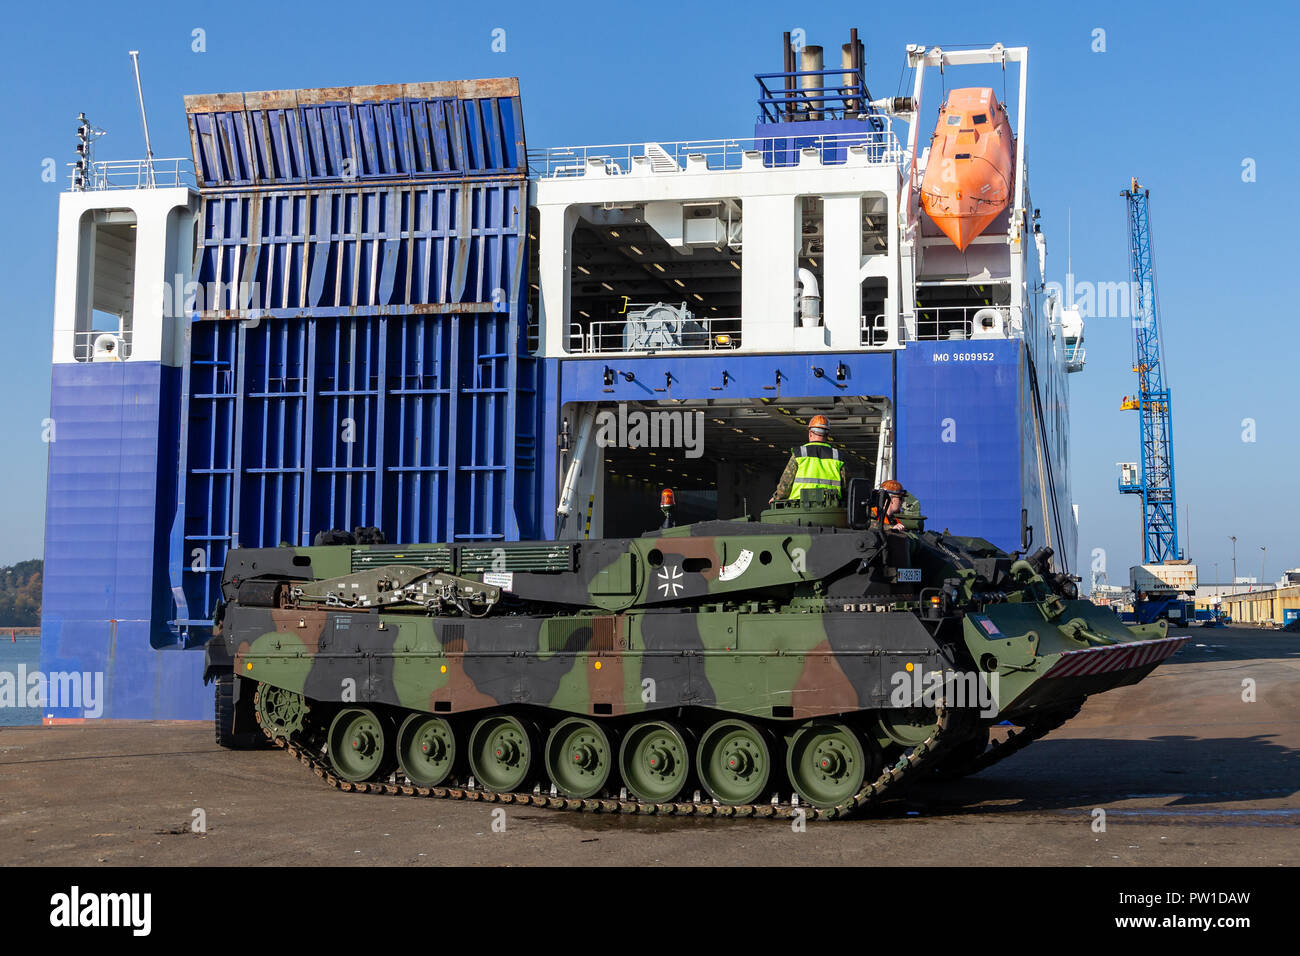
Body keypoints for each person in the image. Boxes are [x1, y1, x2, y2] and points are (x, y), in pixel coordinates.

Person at [769, 415, 848, 504]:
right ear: (827, 435)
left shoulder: (800, 453)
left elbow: (786, 483)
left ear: (810, 433)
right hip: (830, 507)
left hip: (801, 507)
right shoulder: (837, 456)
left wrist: (777, 497)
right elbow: (845, 486)